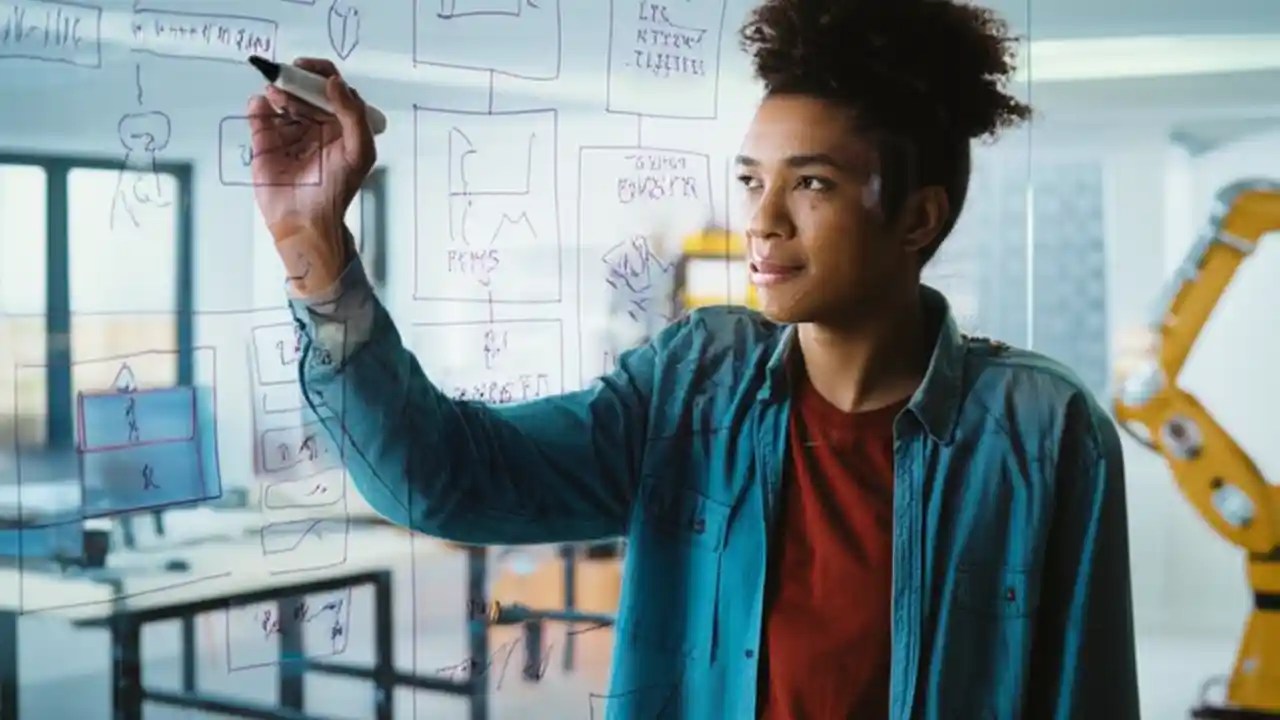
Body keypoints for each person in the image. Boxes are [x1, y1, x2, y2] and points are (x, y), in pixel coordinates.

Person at [246, 0, 1141, 717]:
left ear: (917, 218)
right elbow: (443, 479)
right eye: (753, 179)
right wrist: (312, 243)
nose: (763, 219)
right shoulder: (693, 383)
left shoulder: (1042, 431)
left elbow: (1086, 693)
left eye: (813, 183)